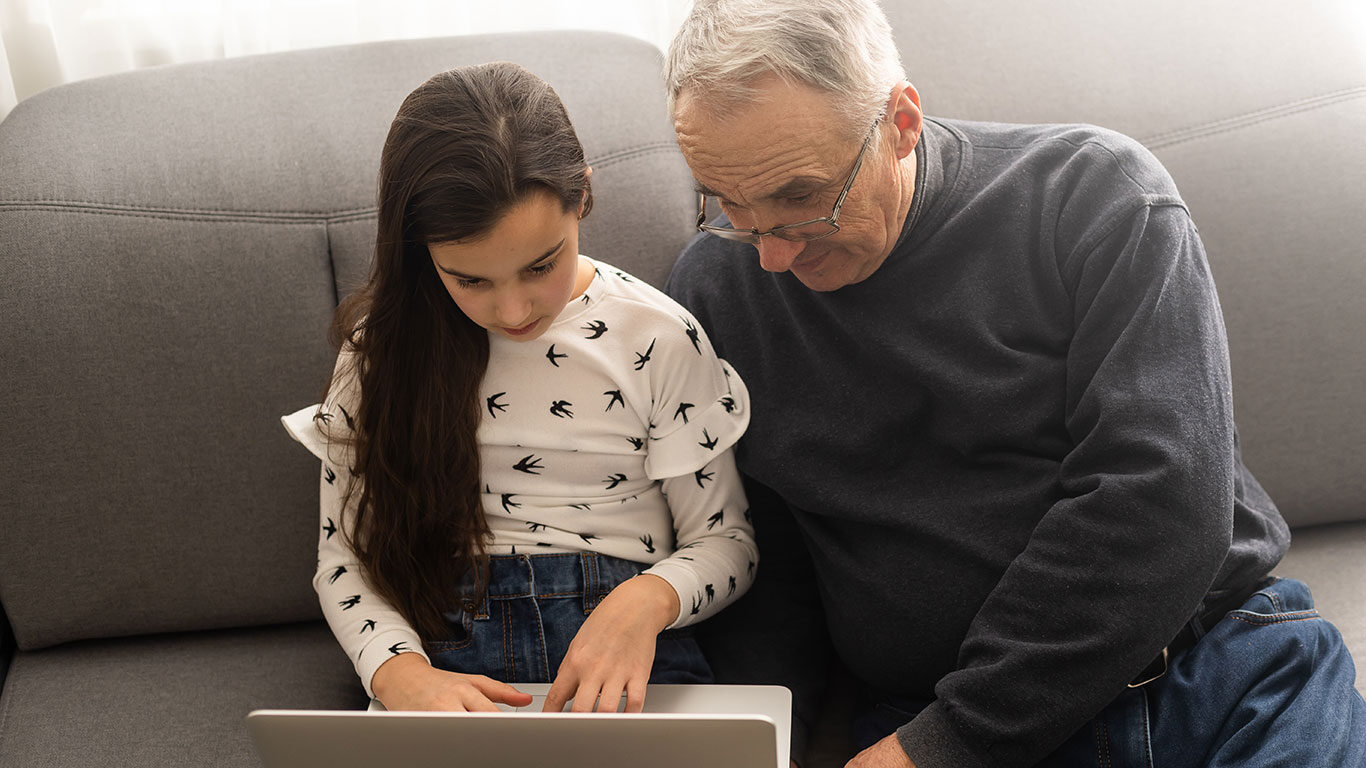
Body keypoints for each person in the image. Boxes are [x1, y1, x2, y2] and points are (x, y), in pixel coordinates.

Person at [662, 1, 1366, 767]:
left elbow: (1162, 500)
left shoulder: (1097, 196)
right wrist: (765, 743)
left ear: (901, 123)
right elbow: (772, 569)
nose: (772, 255)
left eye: (801, 198)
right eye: (730, 204)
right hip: (924, 716)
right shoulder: (718, 288)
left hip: (1211, 676)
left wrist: (953, 741)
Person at [280, 61, 756, 716]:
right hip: (445, 662)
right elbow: (344, 559)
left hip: (623, 650)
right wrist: (398, 675)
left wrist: (648, 600)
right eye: (470, 280)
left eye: (540, 265)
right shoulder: (380, 354)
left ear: (582, 197)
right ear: (421, 252)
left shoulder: (660, 339)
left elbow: (728, 544)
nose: (512, 311)